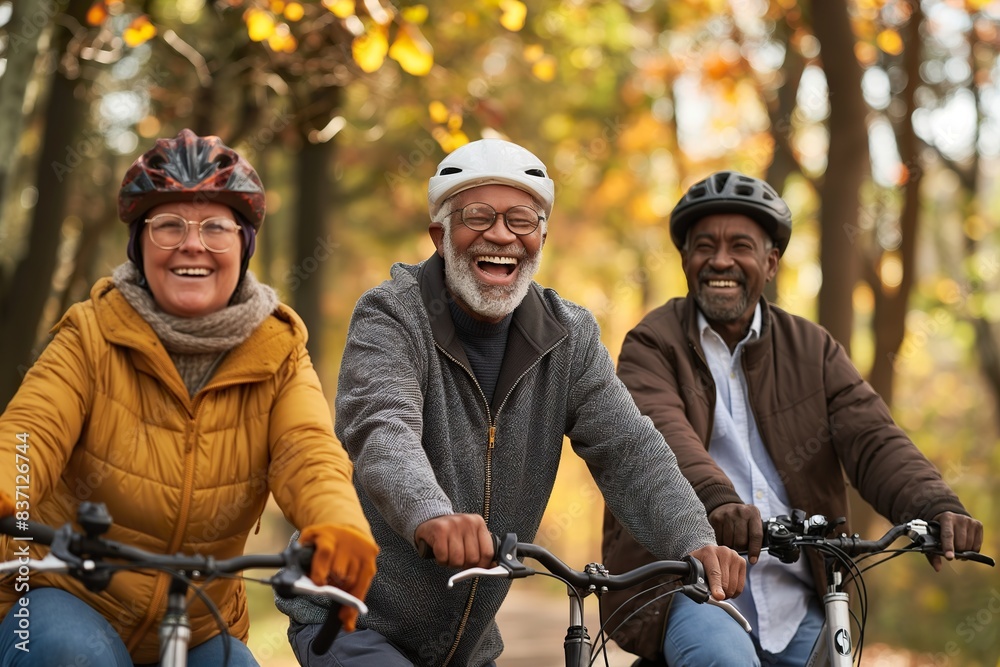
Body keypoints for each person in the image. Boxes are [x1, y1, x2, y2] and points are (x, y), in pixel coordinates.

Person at [275, 139, 746, 666]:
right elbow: (383, 429)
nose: (501, 234)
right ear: (440, 235)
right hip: (351, 616)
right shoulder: (392, 315)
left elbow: (628, 448)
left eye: (522, 220)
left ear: (541, 237)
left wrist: (694, 540)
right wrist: (432, 515)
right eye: (477, 215)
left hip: (468, 646)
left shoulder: (569, 335)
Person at [0, 129, 379, 666]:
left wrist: (339, 523)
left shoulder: (280, 351)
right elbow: (29, 431)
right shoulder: (91, 332)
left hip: (200, 618)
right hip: (68, 594)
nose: (192, 244)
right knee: (71, 654)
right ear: (140, 244)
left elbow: (309, 450)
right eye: (169, 225)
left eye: (216, 228)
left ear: (243, 246)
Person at [601, 171, 984, 666]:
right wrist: (719, 503)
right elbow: (660, 435)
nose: (720, 260)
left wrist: (935, 505)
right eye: (704, 246)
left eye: (740, 245)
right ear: (685, 260)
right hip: (694, 582)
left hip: (796, 593)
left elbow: (872, 438)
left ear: (770, 262)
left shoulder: (814, 349)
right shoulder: (653, 342)